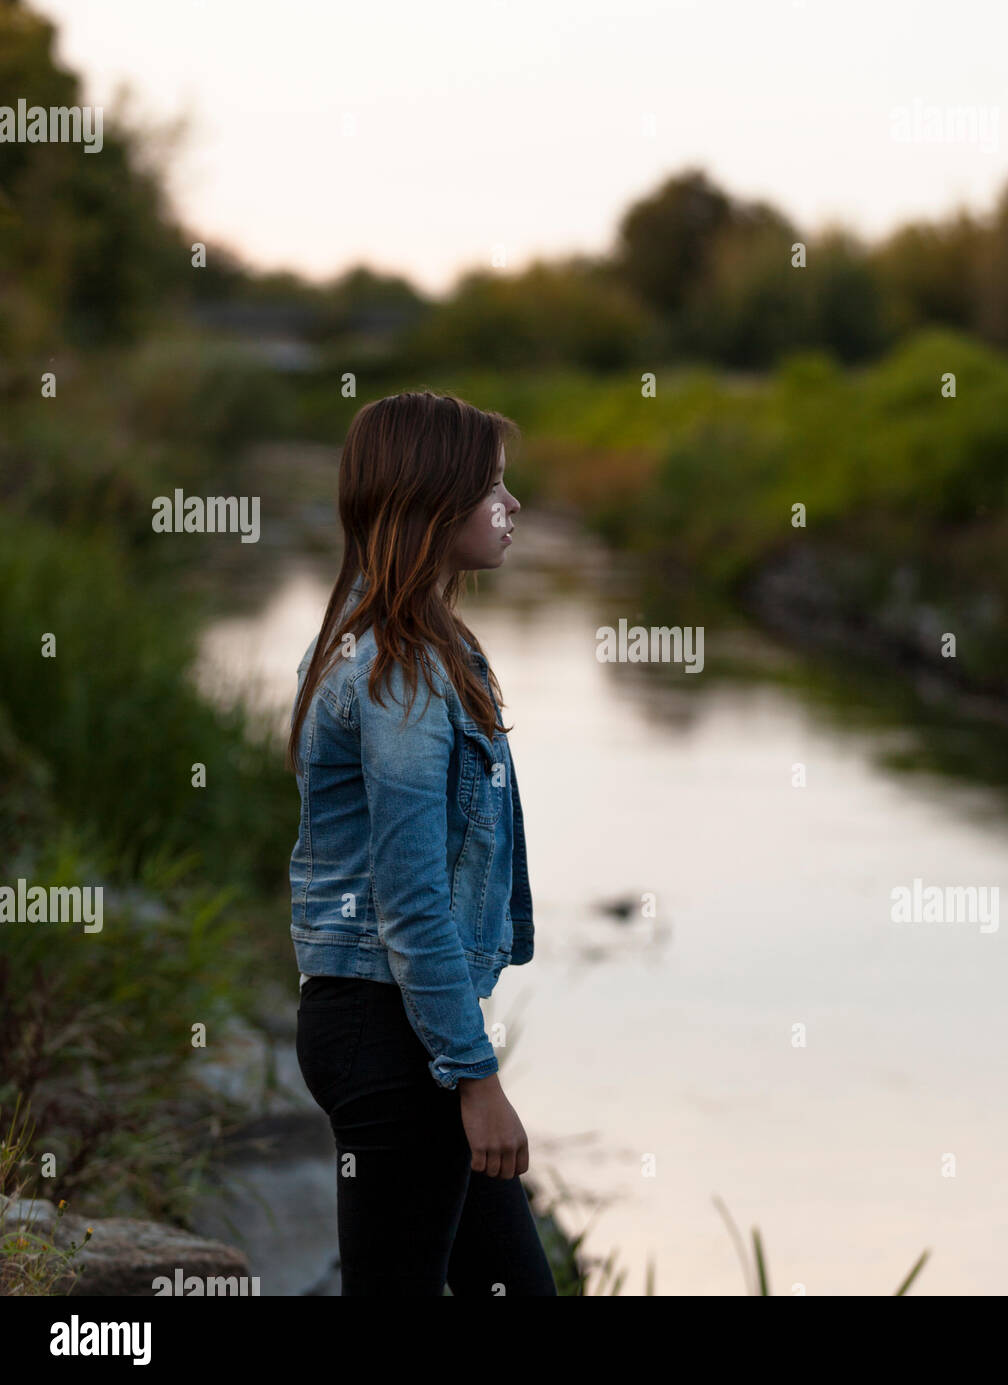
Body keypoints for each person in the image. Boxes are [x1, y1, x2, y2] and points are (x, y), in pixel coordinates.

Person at [286, 389, 556, 1295]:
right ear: (432, 502)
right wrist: (476, 1077)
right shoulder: (398, 670)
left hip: (398, 1026)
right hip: (391, 1032)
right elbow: (408, 900)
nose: (513, 508)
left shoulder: (405, 645)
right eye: (493, 489)